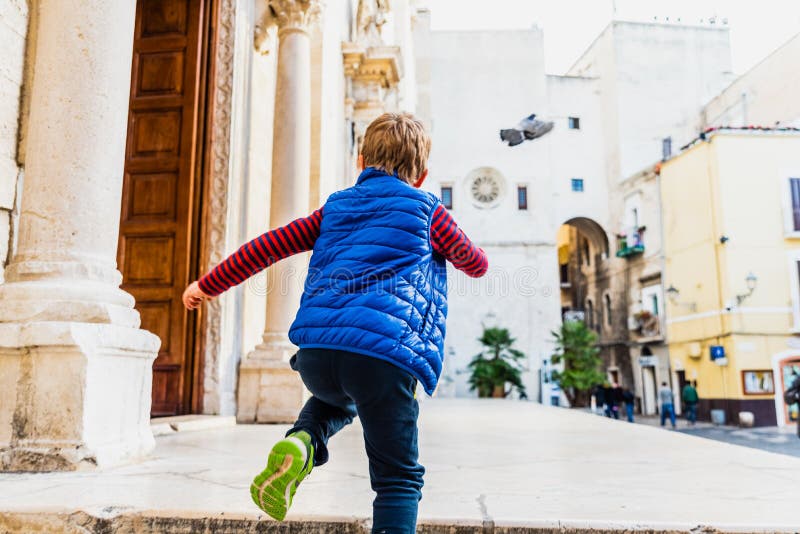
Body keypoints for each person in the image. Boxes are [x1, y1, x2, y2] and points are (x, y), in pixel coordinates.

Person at [182, 113, 488, 533]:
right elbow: (476, 263)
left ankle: (302, 440)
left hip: (318, 357)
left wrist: (206, 285)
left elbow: (267, 247)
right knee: (398, 479)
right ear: (421, 175)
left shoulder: (334, 207)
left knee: (338, 396)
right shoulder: (427, 210)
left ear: (361, 160)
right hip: (385, 357)